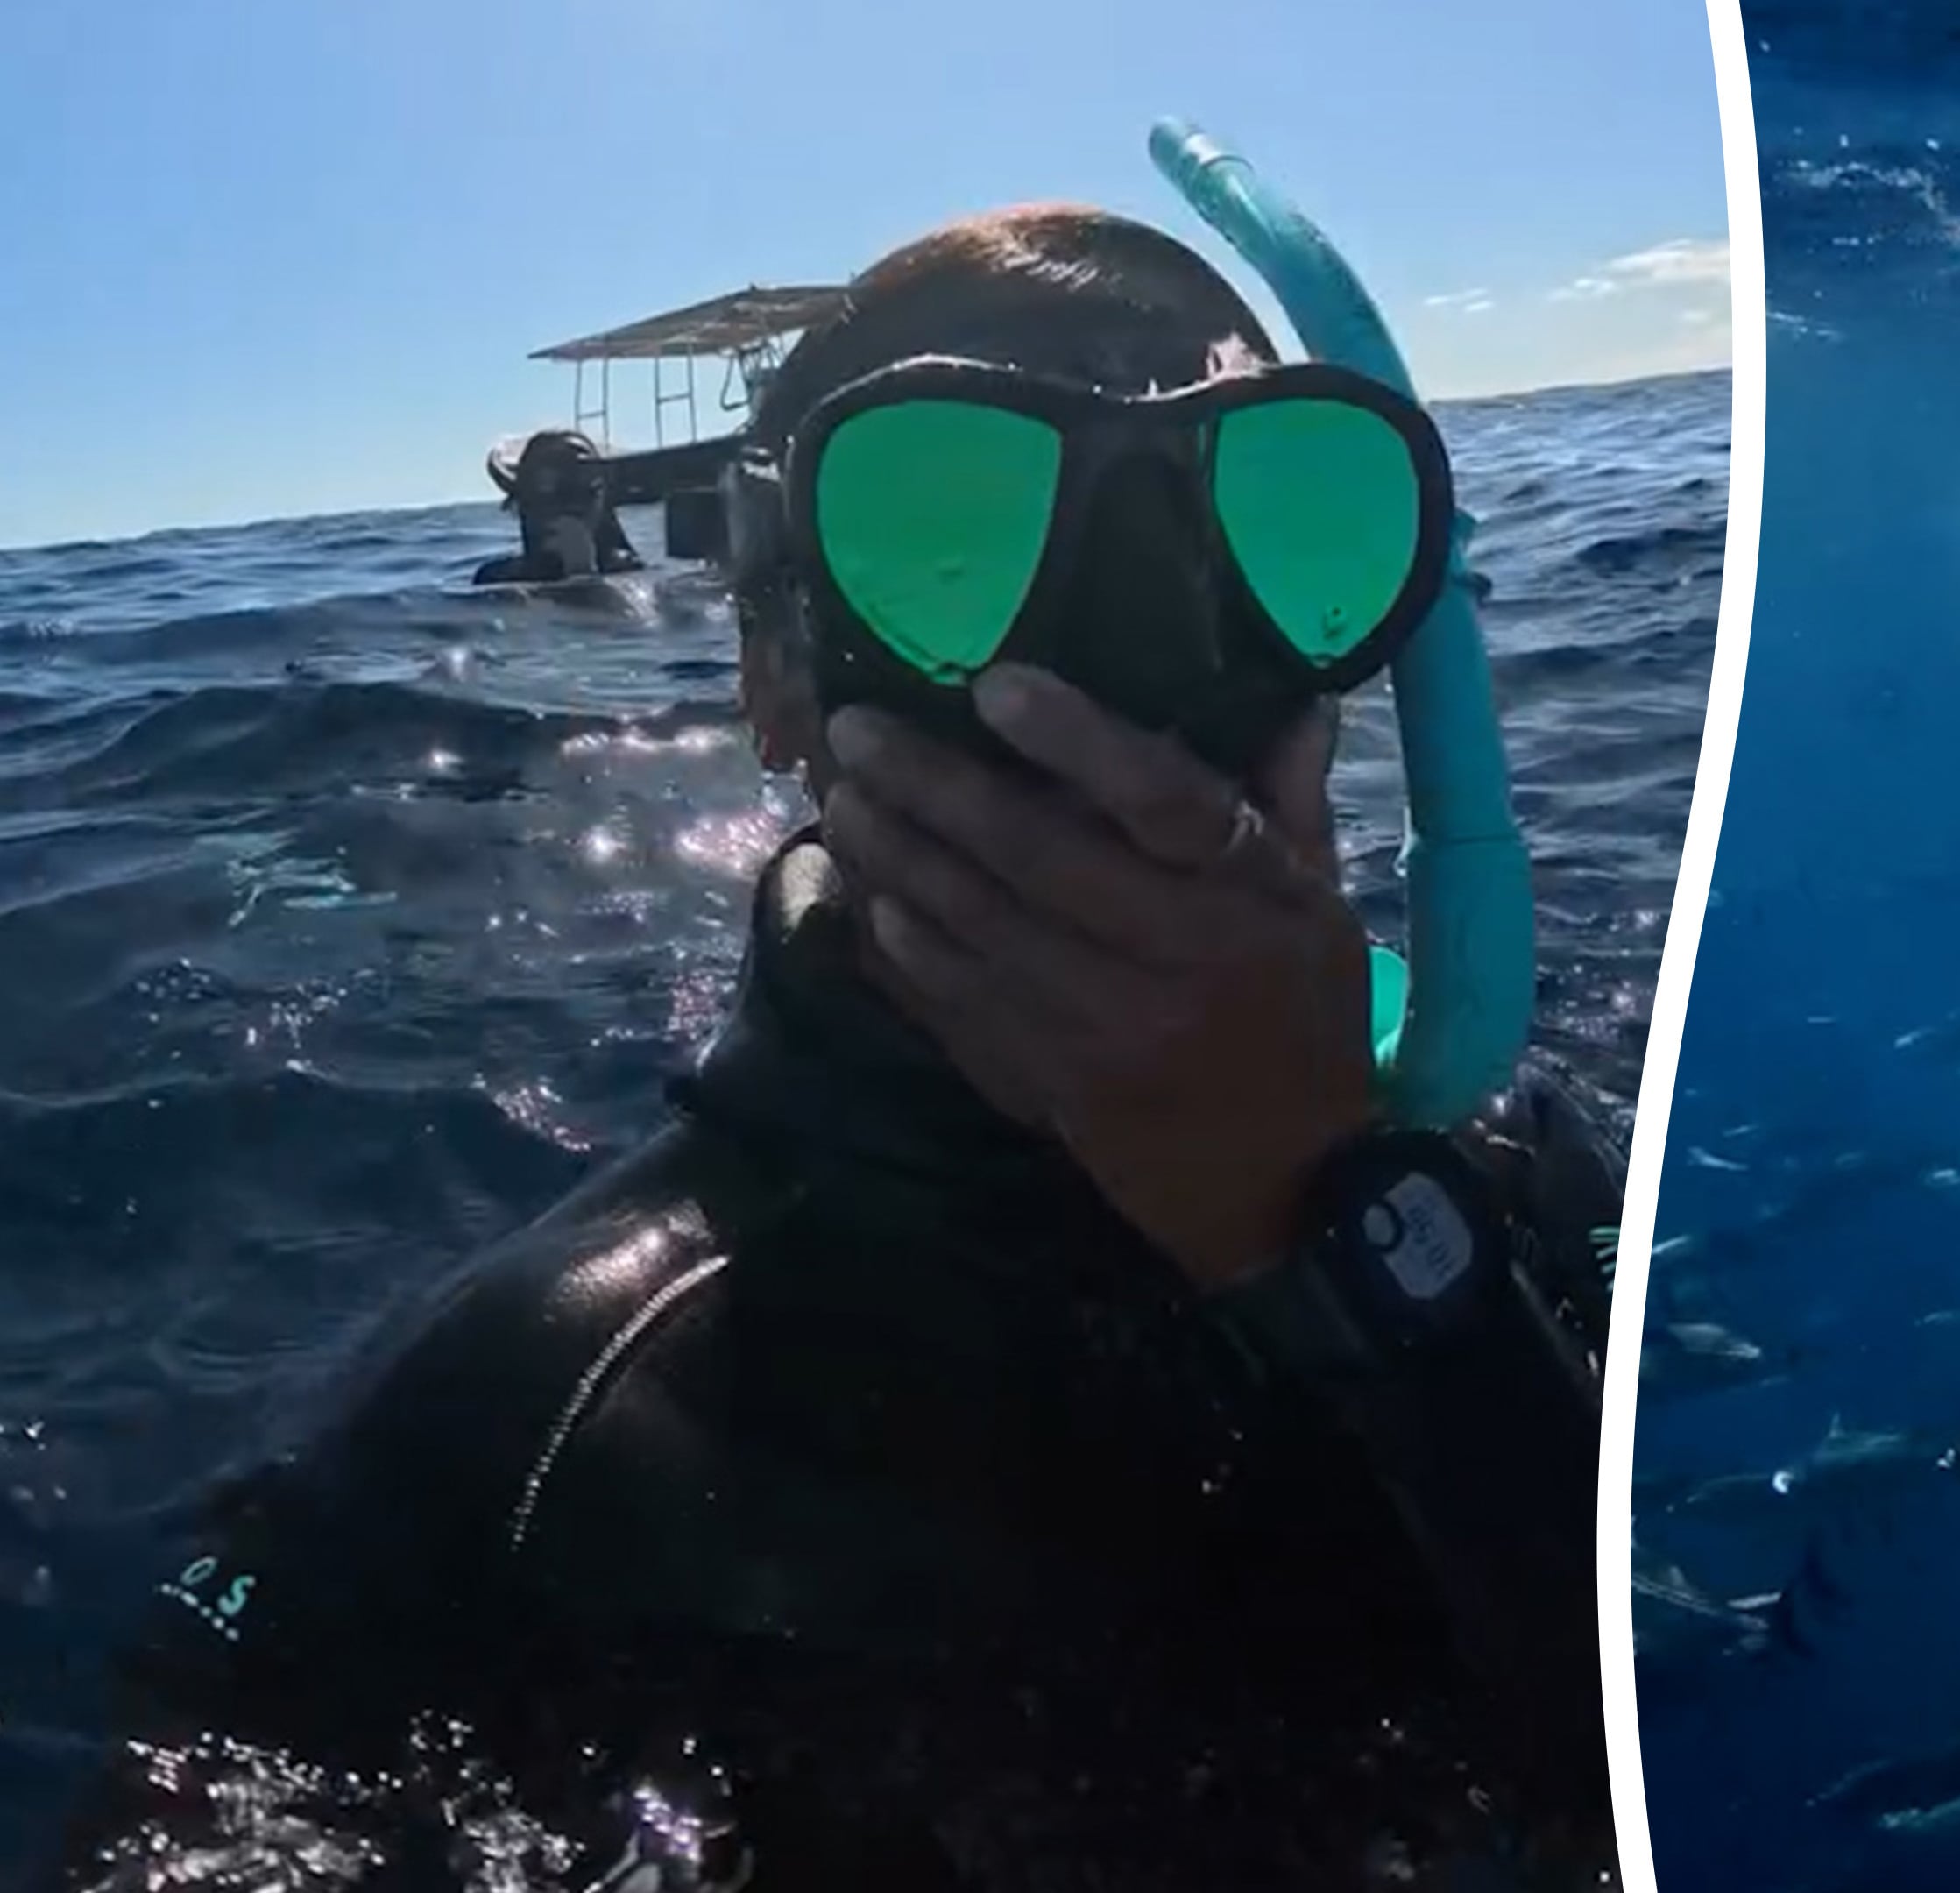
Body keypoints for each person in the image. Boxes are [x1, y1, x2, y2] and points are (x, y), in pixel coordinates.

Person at [41, 206, 1623, 1893]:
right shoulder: (538, 1430)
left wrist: (1334, 1252)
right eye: (948, 533)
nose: (1148, 671)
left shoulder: (1511, 1182)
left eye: (1273, 528)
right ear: (770, 679)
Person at [470, 429, 646, 586]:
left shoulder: (627, 572)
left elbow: (641, 619)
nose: (569, 504)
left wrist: (582, 574)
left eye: (586, 483)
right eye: (546, 484)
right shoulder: (498, 579)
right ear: (522, 504)